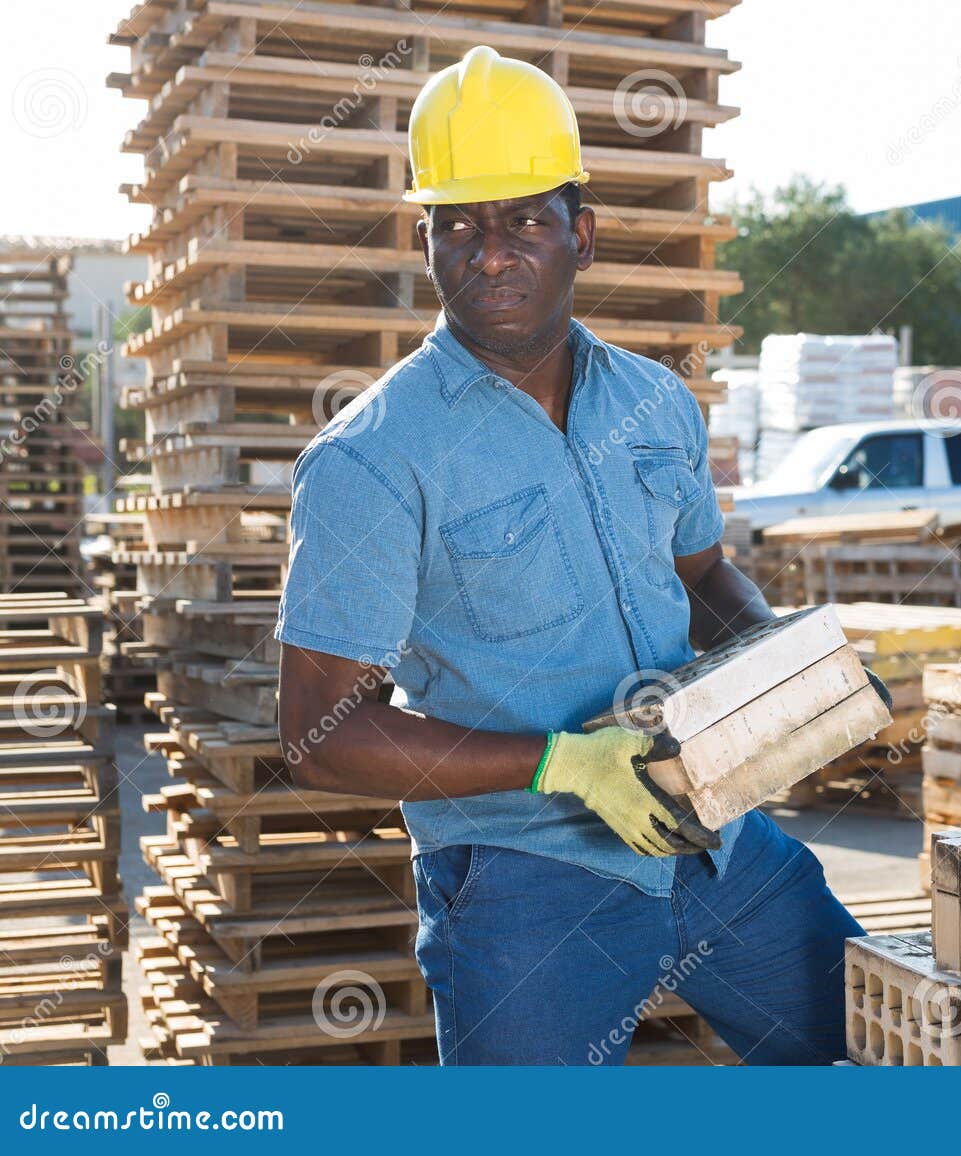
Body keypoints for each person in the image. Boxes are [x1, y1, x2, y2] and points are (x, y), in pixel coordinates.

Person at [275, 45, 879, 1065]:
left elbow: (701, 580)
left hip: (718, 838)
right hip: (525, 879)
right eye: (457, 223)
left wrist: (782, 670)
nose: (491, 252)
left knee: (869, 1054)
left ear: (581, 235)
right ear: (423, 241)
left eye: (525, 219)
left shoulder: (653, 402)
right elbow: (318, 734)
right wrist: (562, 762)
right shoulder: (372, 457)